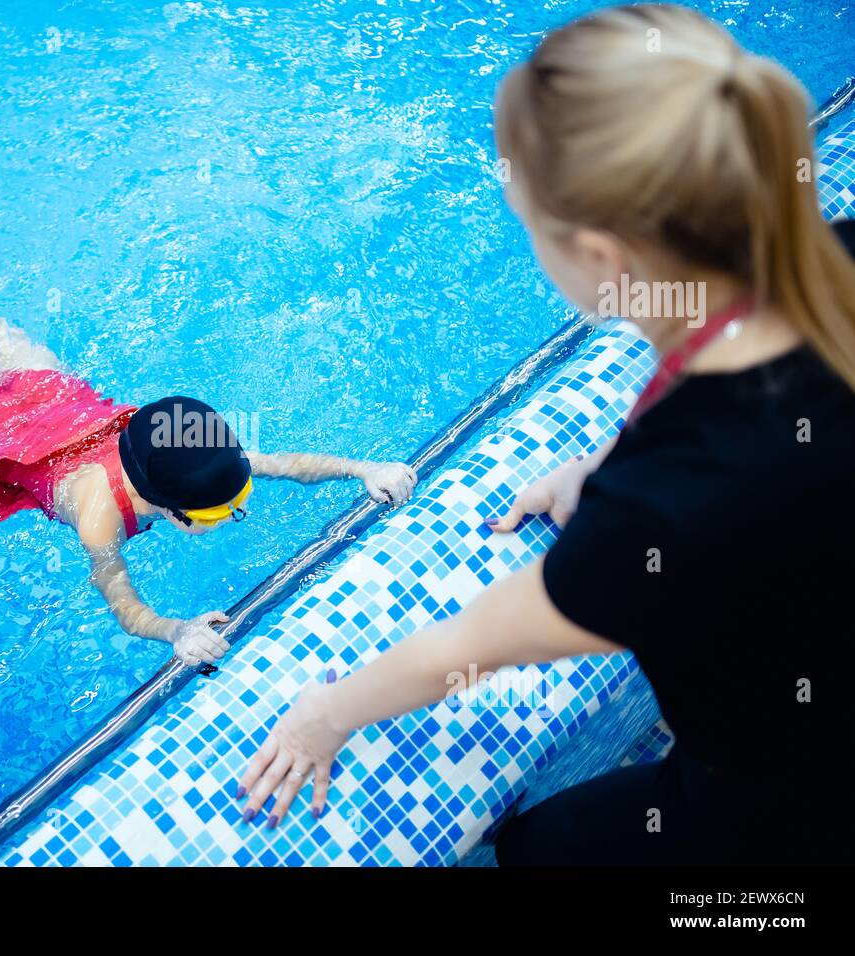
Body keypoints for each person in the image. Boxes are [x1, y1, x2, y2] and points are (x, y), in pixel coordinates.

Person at [237, 4, 855, 864]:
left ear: (601, 260)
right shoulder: (834, 261)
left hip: (786, 809)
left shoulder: (665, 513)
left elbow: (473, 645)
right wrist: (606, 464)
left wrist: (323, 713)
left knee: (543, 852)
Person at [0, 214, 419, 667]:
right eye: (216, 514)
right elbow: (120, 601)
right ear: (172, 508)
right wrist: (176, 631)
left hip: (48, 388)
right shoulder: (99, 518)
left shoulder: (192, 463)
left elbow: (288, 463)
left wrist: (364, 468)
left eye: (236, 502)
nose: (232, 516)